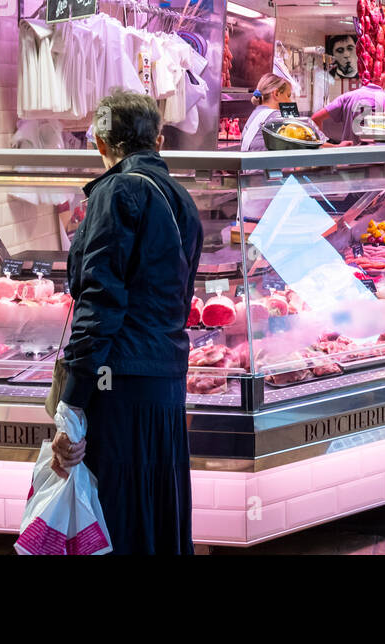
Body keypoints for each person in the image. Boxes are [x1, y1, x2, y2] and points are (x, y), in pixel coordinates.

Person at [51, 89, 205, 554]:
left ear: (100, 142)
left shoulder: (117, 191)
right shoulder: (181, 196)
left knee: (117, 519)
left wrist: (73, 404)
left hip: (118, 385)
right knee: (157, 514)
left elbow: (99, 303)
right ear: (158, 139)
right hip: (164, 381)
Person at [311, 73, 385, 144]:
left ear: (364, 78)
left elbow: (315, 118)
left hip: (349, 158)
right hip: (377, 160)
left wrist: (323, 145)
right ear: (384, 81)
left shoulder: (346, 97)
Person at [240, 73, 295, 152]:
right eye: (288, 96)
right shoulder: (275, 117)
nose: (290, 101)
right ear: (276, 93)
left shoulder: (257, 113)